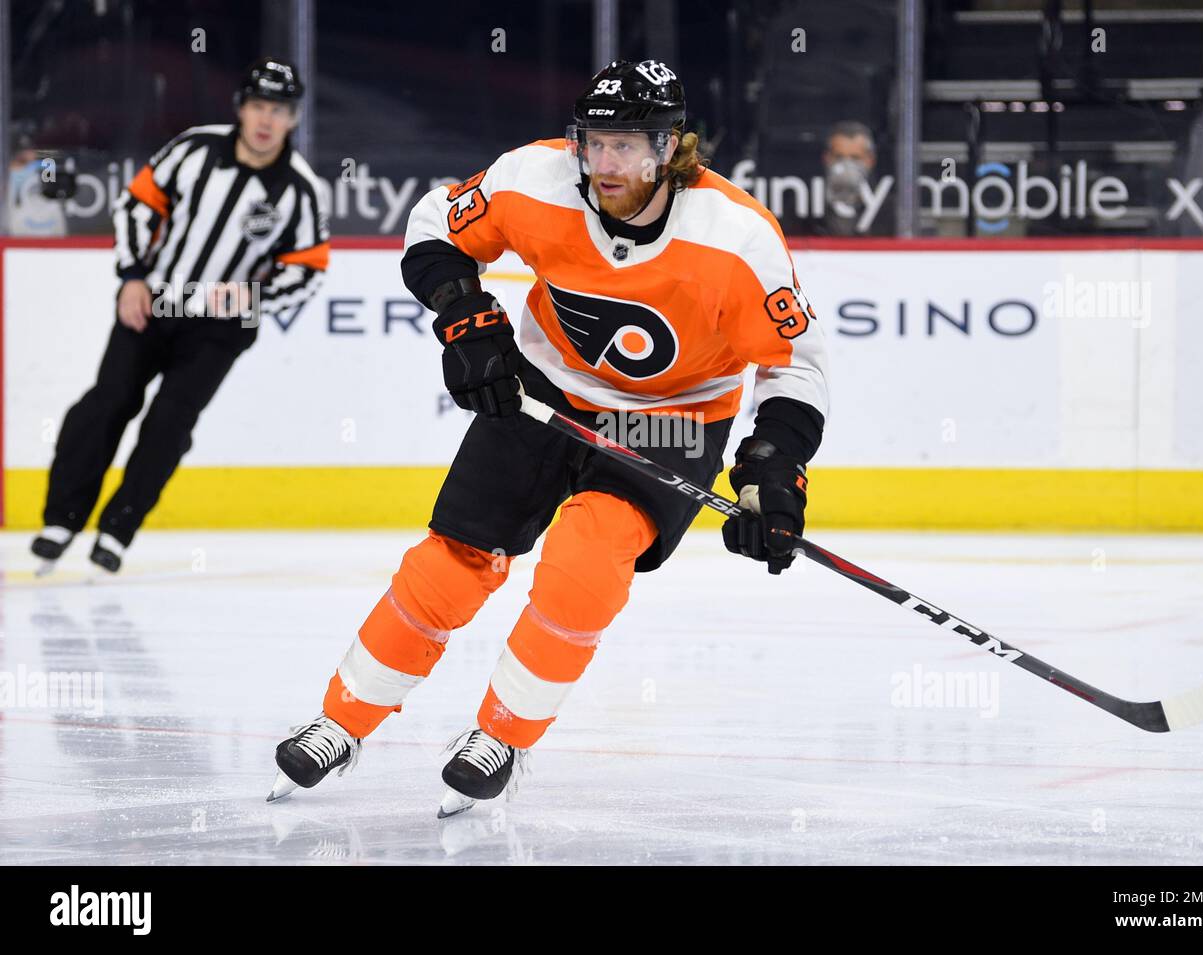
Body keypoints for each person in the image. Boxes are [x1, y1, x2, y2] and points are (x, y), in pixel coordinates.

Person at [270, 59, 830, 816]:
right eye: (594, 142)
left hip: (670, 418)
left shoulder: (736, 237)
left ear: (670, 148)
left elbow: (794, 365)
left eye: (627, 145)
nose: (604, 163)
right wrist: (465, 318)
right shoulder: (534, 178)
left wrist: (774, 468)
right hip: (544, 392)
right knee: (452, 561)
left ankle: (502, 733)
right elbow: (436, 225)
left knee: (584, 561)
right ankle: (341, 719)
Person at [31, 58, 330, 573]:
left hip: (220, 330)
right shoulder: (194, 149)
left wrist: (250, 298)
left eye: (278, 110)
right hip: (154, 303)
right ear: (241, 107)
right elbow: (137, 205)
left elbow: (308, 269)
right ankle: (63, 519)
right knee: (107, 403)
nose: (266, 119)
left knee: (170, 423)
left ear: (293, 119)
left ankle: (119, 529)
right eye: (258, 105)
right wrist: (131, 276)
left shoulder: (300, 190)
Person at [818, 120, 885, 236]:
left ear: (870, 160)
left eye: (855, 158)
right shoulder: (805, 207)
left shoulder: (887, 210)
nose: (847, 165)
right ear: (826, 158)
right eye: (839, 157)